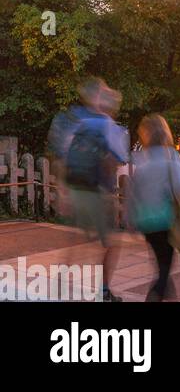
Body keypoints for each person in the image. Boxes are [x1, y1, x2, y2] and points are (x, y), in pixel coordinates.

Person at [48, 77, 130, 302]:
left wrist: (62, 191)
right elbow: (117, 158)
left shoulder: (70, 119)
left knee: (75, 242)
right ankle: (104, 291)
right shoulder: (105, 123)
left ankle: (60, 288)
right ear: (99, 97)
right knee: (110, 243)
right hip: (98, 191)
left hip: (75, 189)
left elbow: (59, 158)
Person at [128, 114, 180, 303]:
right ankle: (154, 296)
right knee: (164, 268)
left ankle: (165, 293)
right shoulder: (171, 156)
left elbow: (134, 192)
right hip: (166, 220)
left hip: (146, 222)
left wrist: (130, 220)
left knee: (161, 263)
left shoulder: (142, 161)